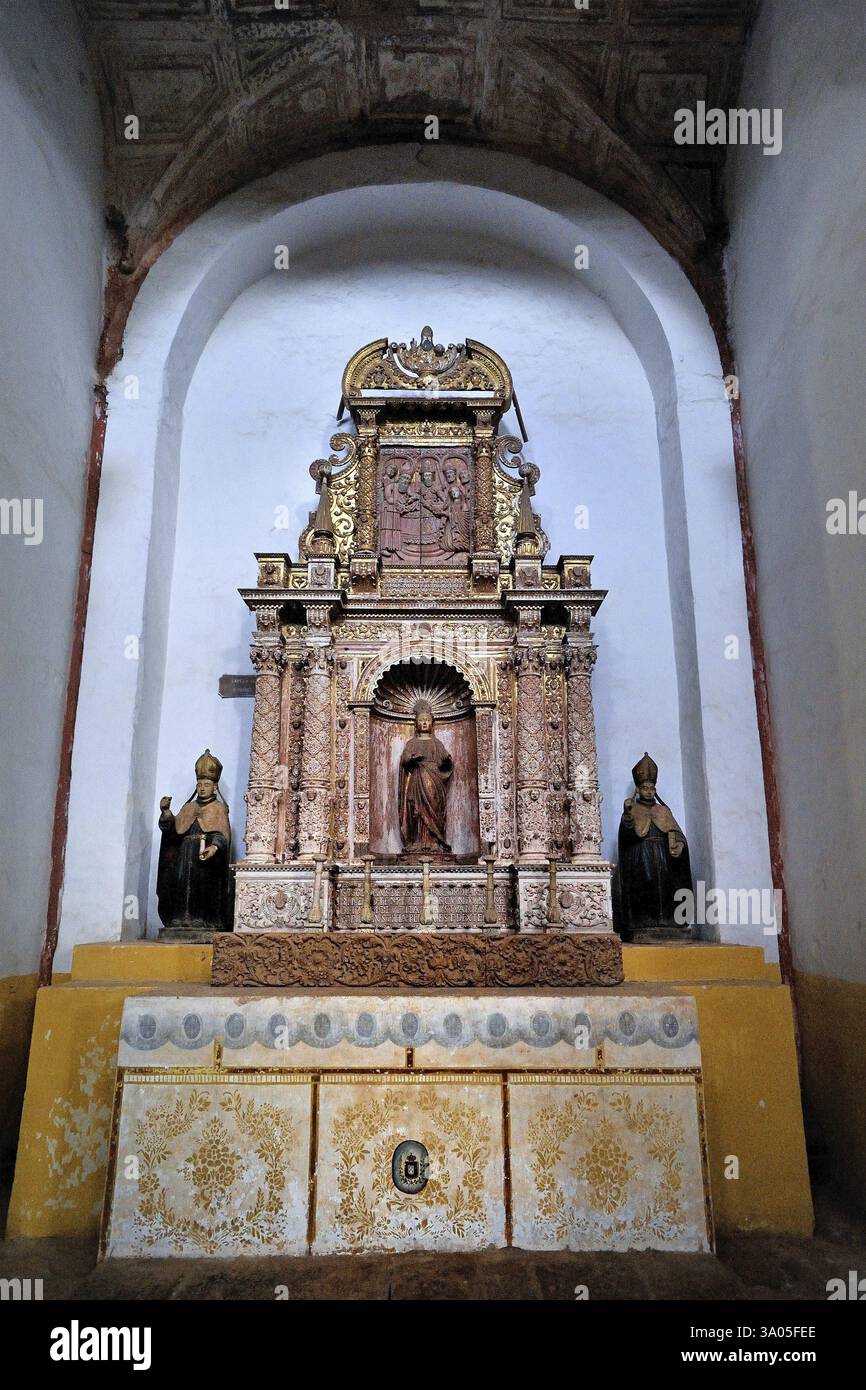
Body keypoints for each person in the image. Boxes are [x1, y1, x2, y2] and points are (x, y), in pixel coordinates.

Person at [156, 749, 233, 932]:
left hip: (204, 856)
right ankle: (178, 919)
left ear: (214, 787)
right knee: (181, 884)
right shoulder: (188, 807)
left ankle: (202, 919)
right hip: (184, 855)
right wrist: (166, 812)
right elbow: (173, 832)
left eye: (206, 784)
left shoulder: (219, 808)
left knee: (201, 885)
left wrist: (214, 847)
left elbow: (222, 835)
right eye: (199, 784)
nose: (202, 787)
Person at [617, 752, 692, 938]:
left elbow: (677, 833)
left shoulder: (663, 810)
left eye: (652, 787)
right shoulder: (632, 808)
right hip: (641, 859)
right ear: (638, 789)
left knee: (667, 887)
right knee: (644, 889)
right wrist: (627, 816)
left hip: (663, 857)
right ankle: (644, 922)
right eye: (645, 787)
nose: (649, 791)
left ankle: (670, 922)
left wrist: (680, 844)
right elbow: (626, 837)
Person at [399, 701, 453, 854]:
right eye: (421, 721)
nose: (424, 723)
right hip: (417, 782)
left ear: (432, 723)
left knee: (435, 809)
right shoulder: (412, 743)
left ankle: (434, 842)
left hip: (434, 783)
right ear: (416, 724)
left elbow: (445, 762)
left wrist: (447, 761)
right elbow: (404, 760)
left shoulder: (437, 744)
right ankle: (417, 841)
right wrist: (412, 758)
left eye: (427, 720)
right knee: (416, 811)